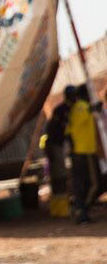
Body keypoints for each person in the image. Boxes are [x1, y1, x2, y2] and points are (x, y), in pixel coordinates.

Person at [66, 84, 99, 223]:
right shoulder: (81, 106)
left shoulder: (78, 107)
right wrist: (92, 108)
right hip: (84, 151)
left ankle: (80, 209)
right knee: (94, 184)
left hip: (83, 151)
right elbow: (81, 117)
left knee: (83, 183)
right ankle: (81, 209)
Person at [42, 102, 70, 198]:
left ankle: (60, 198)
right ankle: (60, 199)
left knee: (58, 175)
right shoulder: (54, 127)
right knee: (59, 176)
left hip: (56, 147)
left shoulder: (53, 125)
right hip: (55, 148)